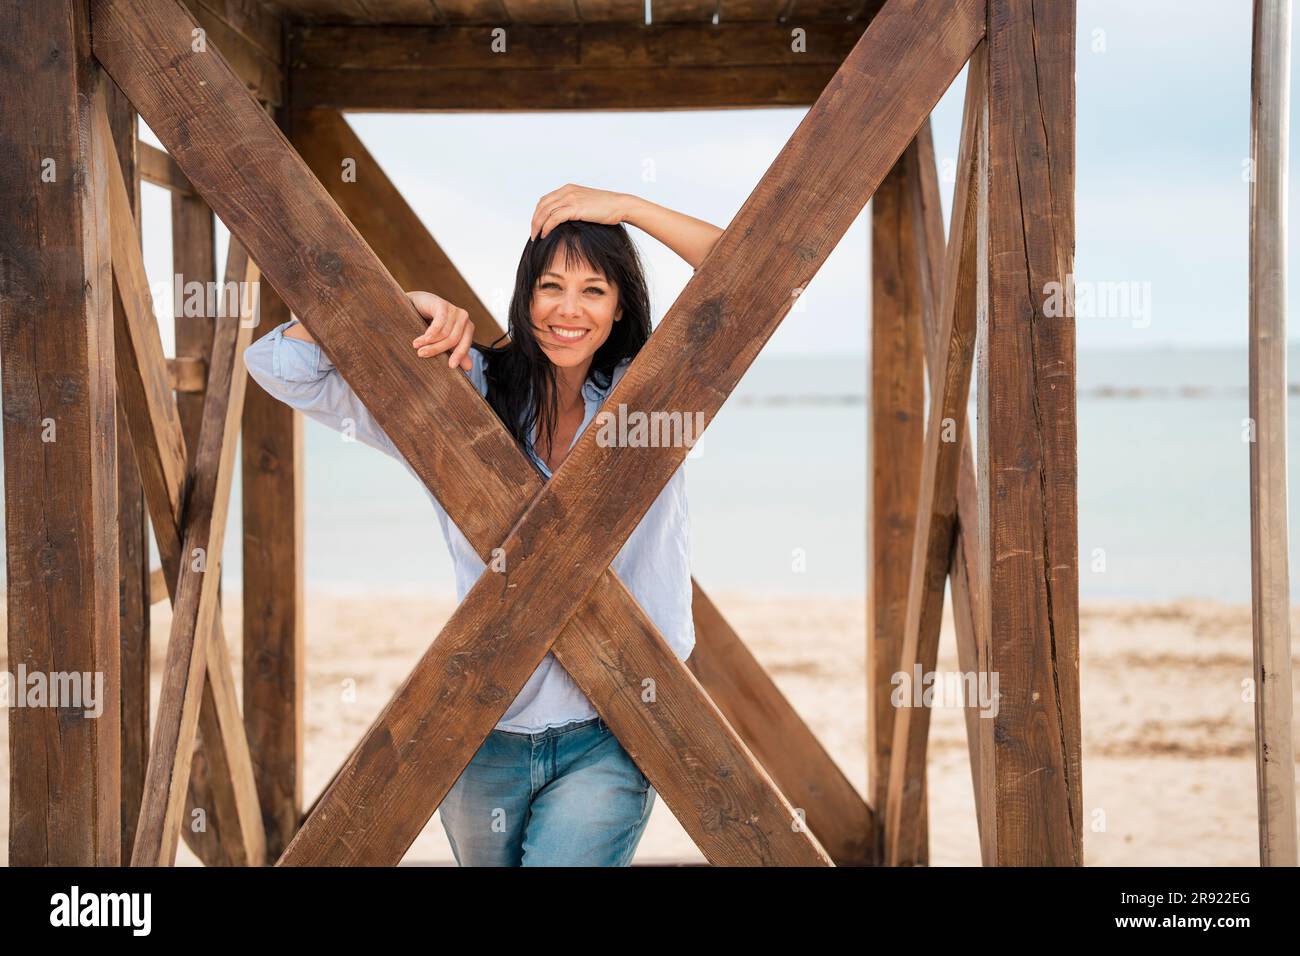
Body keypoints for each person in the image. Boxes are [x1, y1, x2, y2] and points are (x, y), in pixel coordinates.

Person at [243, 183, 724, 866]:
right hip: (480, 728)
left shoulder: (652, 395)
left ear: (621, 307)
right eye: (551, 286)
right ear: (525, 297)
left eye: (594, 290)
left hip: (612, 724)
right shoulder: (464, 391)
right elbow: (281, 367)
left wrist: (628, 209)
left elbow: (749, 276)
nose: (567, 309)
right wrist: (399, 305)